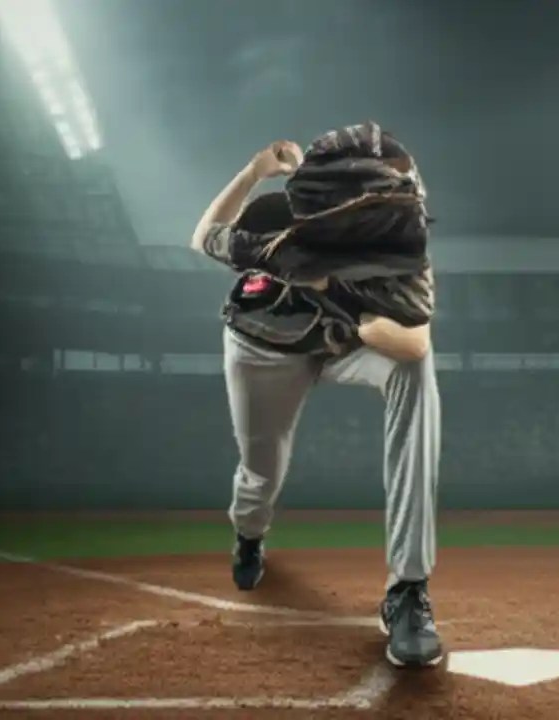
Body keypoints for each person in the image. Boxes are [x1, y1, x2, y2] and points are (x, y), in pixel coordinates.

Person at [189, 138, 444, 669]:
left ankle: (407, 587)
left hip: (344, 342)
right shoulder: (279, 228)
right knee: (262, 471)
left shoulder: (403, 248)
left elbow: (415, 343)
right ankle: (249, 536)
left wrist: (357, 318)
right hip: (266, 347)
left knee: (413, 370)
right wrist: (253, 171)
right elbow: (203, 237)